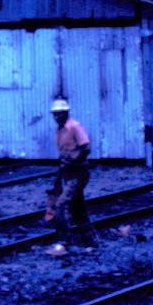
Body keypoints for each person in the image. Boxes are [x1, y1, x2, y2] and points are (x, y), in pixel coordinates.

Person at [46, 96, 97, 249]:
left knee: (60, 205)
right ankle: (90, 240)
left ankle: (65, 240)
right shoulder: (60, 130)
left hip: (78, 171)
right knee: (77, 207)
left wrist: (74, 160)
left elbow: (86, 147)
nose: (57, 116)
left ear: (66, 113)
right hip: (68, 171)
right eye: (55, 114)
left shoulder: (74, 126)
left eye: (60, 113)